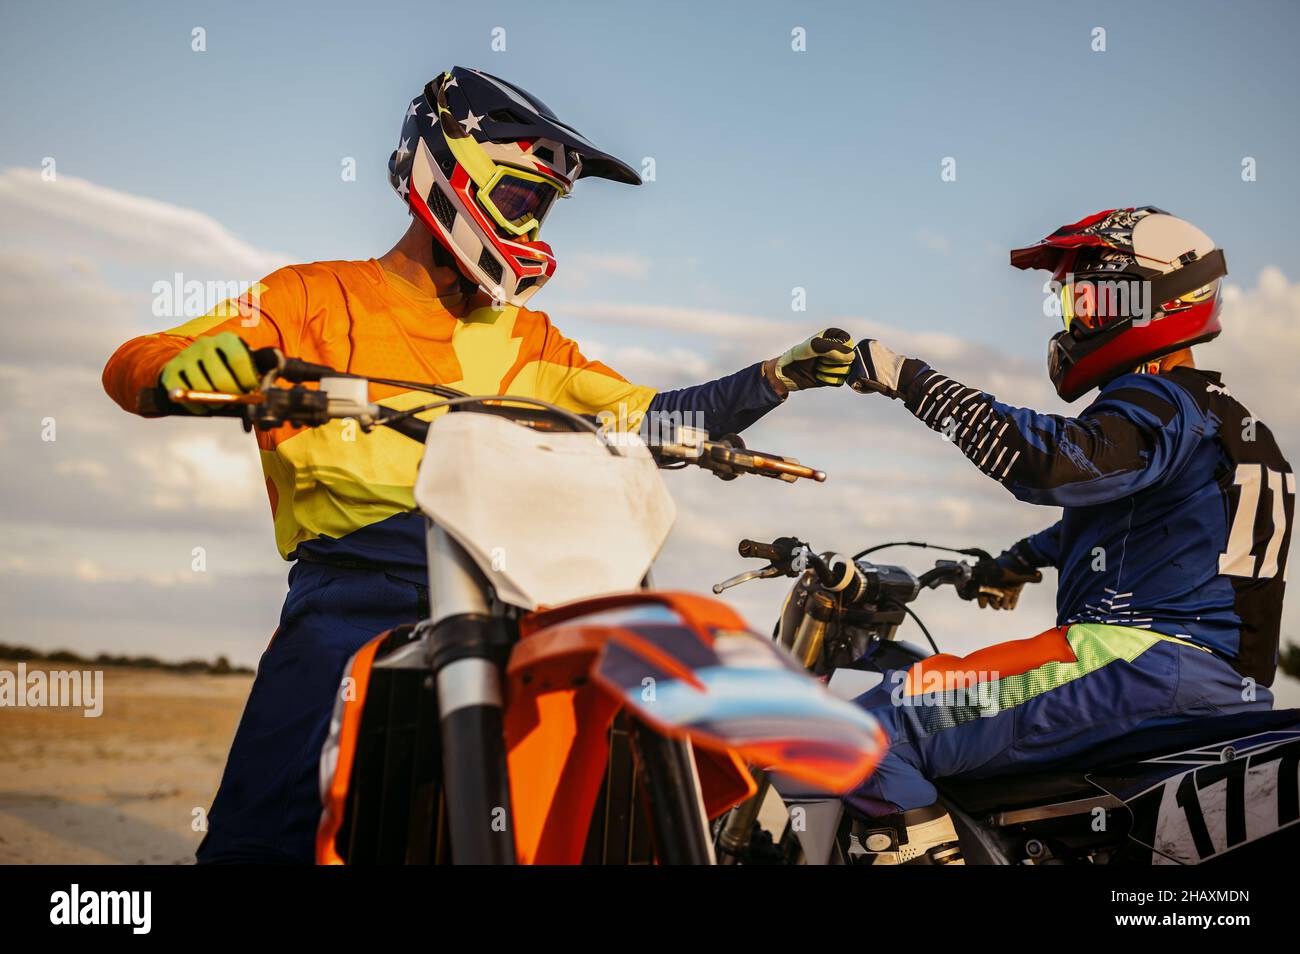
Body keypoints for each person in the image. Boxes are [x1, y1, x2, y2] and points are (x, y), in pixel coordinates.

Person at [102, 66, 856, 864]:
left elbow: (652, 416)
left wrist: (774, 378)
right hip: (354, 592)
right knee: (263, 828)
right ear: (449, 169)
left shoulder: (531, 340)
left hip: (514, 587)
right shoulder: (314, 297)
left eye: (545, 210)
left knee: (607, 774)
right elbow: (141, 358)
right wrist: (194, 369)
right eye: (525, 200)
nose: (534, 231)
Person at [844, 207, 1293, 864]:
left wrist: (906, 379)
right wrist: (1011, 563)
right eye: (1069, 301)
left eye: (1091, 298)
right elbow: (1134, 521)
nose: (1074, 318)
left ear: (1154, 300)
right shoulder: (1234, 424)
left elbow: (1055, 463)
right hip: (1224, 686)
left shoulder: (1158, 401)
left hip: (1137, 665)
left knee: (861, 734)